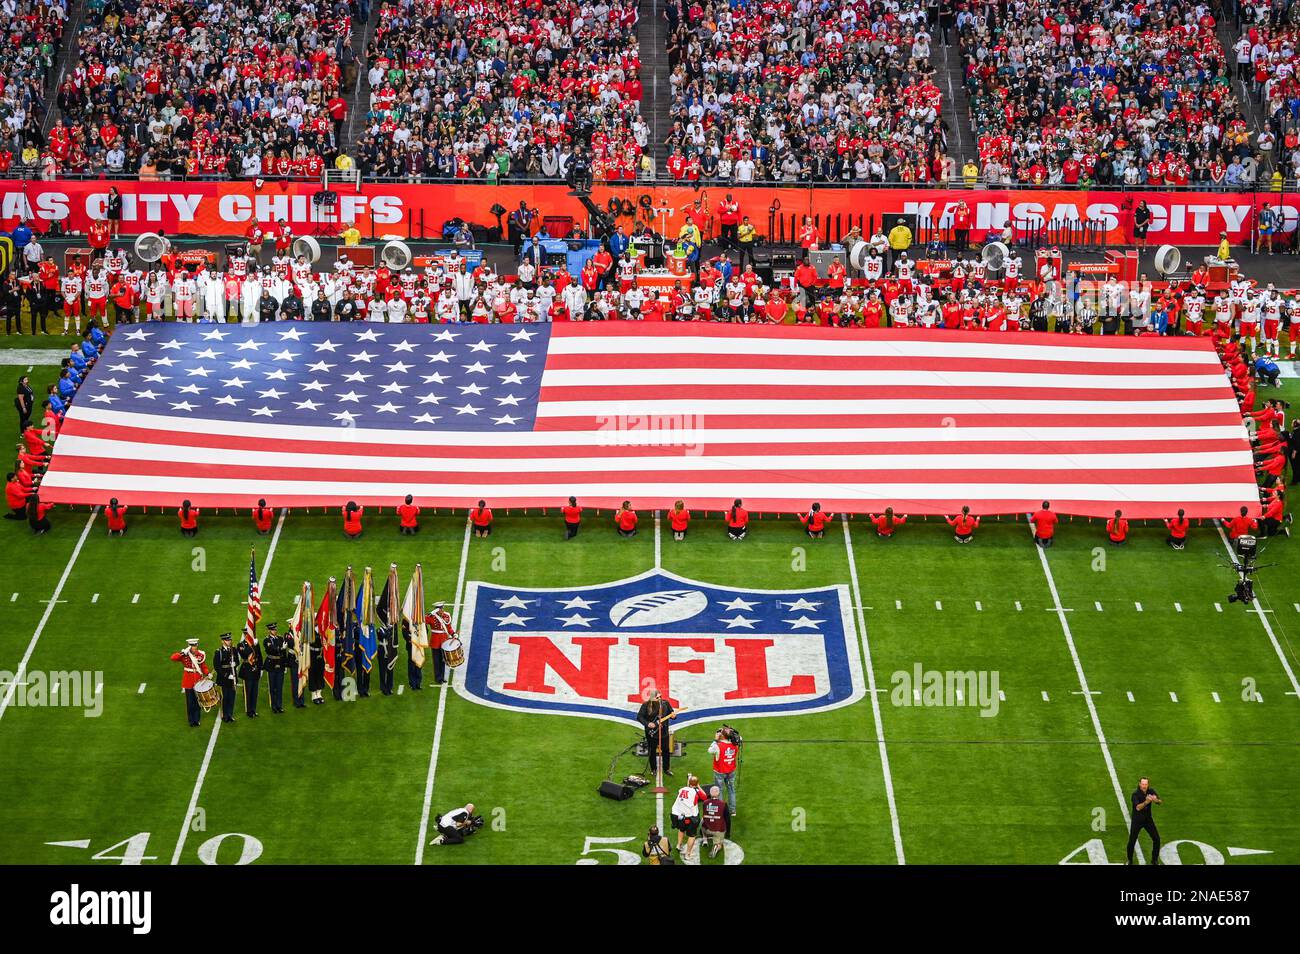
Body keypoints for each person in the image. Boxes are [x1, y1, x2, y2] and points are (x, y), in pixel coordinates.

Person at [169, 638, 210, 727]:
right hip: (188, 681)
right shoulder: (184, 654)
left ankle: (197, 720)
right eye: (192, 646)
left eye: (195, 645)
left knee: (198, 702)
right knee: (190, 702)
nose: (194, 647)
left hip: (198, 680)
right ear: (189, 646)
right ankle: (191, 721)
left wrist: (207, 673)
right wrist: (183, 653)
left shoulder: (201, 654)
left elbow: (203, 666)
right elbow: (173, 658)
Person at [638, 688, 675, 777]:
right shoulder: (646, 705)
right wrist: (648, 724)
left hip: (664, 732)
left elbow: (671, 713)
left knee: (666, 750)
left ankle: (666, 768)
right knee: (652, 751)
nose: (659, 699)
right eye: (657, 698)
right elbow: (639, 717)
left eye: (660, 697)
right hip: (651, 734)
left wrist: (673, 716)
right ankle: (653, 769)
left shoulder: (665, 703)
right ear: (652, 698)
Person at [1126, 776, 1162, 865]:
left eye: (1146, 784)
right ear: (1139, 784)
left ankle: (1154, 860)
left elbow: (1160, 802)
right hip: (1137, 820)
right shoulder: (1135, 794)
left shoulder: (1151, 791)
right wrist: (1146, 801)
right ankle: (1129, 860)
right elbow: (1138, 808)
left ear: (1148, 784)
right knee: (1132, 841)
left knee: (1157, 839)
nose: (1144, 786)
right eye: (1143, 784)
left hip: (1148, 820)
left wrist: (1155, 799)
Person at [670, 775, 705, 858]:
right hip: (691, 817)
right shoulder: (696, 791)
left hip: (678, 815)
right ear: (697, 784)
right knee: (692, 836)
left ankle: (679, 845)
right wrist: (698, 786)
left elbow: (688, 789)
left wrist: (690, 782)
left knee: (681, 829)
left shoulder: (682, 789)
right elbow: (704, 796)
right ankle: (688, 854)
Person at [708, 726, 740, 816]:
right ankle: (732, 810)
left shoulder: (718, 746)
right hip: (731, 771)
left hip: (720, 772)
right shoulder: (735, 744)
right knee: (731, 790)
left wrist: (715, 740)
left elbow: (709, 750)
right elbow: (737, 739)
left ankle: (721, 811)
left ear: (722, 736)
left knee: (720, 790)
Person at [213, 632, 239, 723]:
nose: (229, 641)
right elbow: (217, 666)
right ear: (222, 641)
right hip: (223, 679)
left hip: (233, 678)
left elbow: (237, 661)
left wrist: (235, 664)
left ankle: (230, 715)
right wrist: (227, 675)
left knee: (232, 697)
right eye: (227, 640)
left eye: (230, 640)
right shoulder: (219, 652)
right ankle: (224, 716)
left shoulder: (233, 650)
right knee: (225, 697)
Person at [262, 622, 288, 714]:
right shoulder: (267, 640)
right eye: (273, 629)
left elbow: (284, 654)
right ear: (269, 631)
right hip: (271, 665)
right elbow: (271, 649)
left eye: (275, 629)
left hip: (280, 665)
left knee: (279, 687)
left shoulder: (281, 638)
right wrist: (281, 648)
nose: (275, 631)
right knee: (273, 687)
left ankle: (279, 706)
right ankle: (274, 706)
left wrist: (285, 665)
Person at [700, 786, 730, 859]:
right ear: (719, 793)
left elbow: (705, 815)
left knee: (703, 819)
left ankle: (704, 839)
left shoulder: (705, 803)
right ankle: (716, 846)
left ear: (710, 793)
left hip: (706, 829)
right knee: (720, 843)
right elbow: (728, 819)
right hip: (718, 830)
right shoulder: (723, 804)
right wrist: (728, 832)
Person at [237, 634, 263, 718]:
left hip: (255, 670)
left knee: (255, 692)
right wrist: (251, 644)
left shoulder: (255, 642)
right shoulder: (241, 645)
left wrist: (261, 668)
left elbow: (259, 655)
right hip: (247, 671)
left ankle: (253, 710)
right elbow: (244, 654)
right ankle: (248, 711)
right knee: (248, 692)